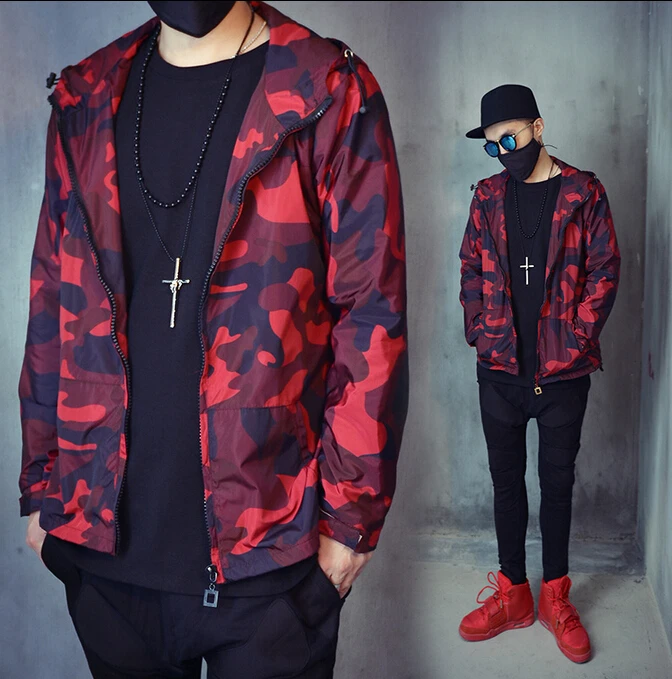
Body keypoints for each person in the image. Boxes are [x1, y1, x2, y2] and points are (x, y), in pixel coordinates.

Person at [19, 1, 408, 676]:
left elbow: (371, 313)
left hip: (271, 561)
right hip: (105, 559)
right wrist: (44, 483)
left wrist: (350, 525)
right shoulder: (86, 97)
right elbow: (53, 296)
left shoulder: (324, 89)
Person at [457, 84, 620, 664]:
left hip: (562, 374)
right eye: (492, 145)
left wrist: (574, 343)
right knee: (505, 483)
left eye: (511, 139)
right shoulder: (487, 197)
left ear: (538, 127)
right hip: (500, 370)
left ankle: (555, 597)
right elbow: (470, 267)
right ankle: (514, 594)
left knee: (557, 483)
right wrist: (481, 331)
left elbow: (605, 269)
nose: (503, 152)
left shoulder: (583, 193)